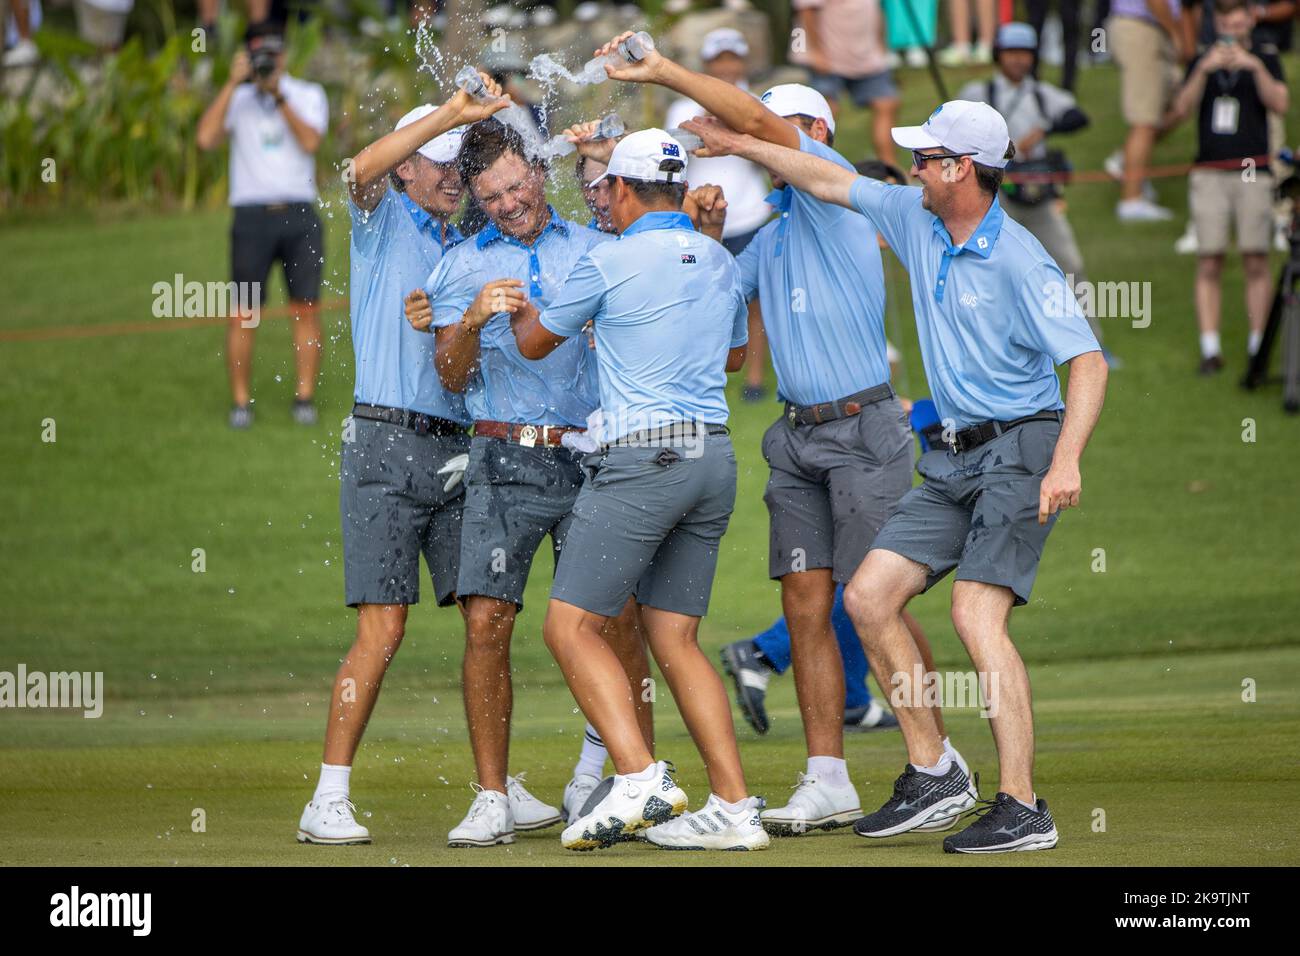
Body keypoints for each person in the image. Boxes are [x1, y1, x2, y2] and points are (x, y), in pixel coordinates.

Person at [682, 98, 1109, 853]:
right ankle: (935, 768)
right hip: (950, 455)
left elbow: (1087, 361)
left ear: (961, 169)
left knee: (976, 613)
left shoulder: (1019, 257)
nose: (911, 167)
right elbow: (819, 175)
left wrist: (1067, 459)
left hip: (1022, 446)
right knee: (871, 594)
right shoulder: (917, 218)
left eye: (925, 157)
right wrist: (735, 141)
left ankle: (1022, 804)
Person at [597, 33, 963, 838]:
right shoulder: (765, 239)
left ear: (818, 138)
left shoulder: (840, 201)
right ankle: (826, 775)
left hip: (864, 429)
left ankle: (937, 762)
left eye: (789, 128)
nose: (770, 137)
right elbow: (726, 348)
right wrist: (699, 237)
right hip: (797, 439)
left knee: (881, 604)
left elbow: (759, 121)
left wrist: (663, 72)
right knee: (806, 608)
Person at [510, 128, 766, 852]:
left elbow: (535, 343)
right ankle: (736, 807)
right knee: (675, 636)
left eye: (606, 191)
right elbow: (736, 356)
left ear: (621, 190)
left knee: (568, 626)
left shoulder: (607, 259)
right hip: (712, 458)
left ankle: (637, 774)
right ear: (678, 190)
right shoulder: (719, 258)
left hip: (645, 458)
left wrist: (514, 304)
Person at [404, 118, 653, 847]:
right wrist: (472, 321)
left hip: (590, 457)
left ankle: (617, 777)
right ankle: (491, 797)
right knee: (487, 621)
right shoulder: (459, 267)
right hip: (501, 457)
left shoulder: (597, 250)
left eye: (517, 185)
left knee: (618, 621)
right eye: (492, 194)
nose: (509, 202)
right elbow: (452, 379)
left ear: (539, 174)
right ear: (477, 198)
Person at [295, 78, 506, 846]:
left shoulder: (464, 245)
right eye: (439, 161)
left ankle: (495, 790)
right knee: (383, 629)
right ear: (408, 169)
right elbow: (355, 169)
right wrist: (447, 114)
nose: (453, 174)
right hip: (386, 444)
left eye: (459, 163)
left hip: (459, 449)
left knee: (488, 616)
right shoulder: (380, 219)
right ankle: (328, 797)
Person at [196, 20, 327, 429]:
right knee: (243, 314)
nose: (266, 62)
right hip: (252, 220)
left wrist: (278, 95)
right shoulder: (237, 99)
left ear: (284, 55)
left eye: (271, 53)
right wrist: (233, 85)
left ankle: (304, 398)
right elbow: (205, 139)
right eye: (258, 55)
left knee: (305, 309)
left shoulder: (306, 94)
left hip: (299, 215)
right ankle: (240, 403)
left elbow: (310, 142)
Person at [959, 22, 1115, 362]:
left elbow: (1077, 117)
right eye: (1012, 53)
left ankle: (1093, 347)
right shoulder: (977, 92)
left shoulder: (1044, 95)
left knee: (1069, 264)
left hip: (1038, 193)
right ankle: (990, 350)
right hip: (993, 196)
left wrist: (1044, 126)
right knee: (988, 270)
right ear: (999, 55)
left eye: (1025, 54)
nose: (1018, 60)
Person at [1167, 0, 1288, 374]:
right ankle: (1210, 347)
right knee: (1210, 258)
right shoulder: (1202, 61)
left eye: (1238, 21)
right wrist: (1202, 69)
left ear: (1249, 20)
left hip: (1254, 169)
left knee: (1256, 256)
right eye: (1225, 22)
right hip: (1209, 171)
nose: (1232, 29)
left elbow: (1280, 103)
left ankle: (1257, 344)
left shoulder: (1265, 57)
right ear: (1216, 22)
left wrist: (1252, 66)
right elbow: (1180, 111)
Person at [665, 28, 774, 402]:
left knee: (754, 302)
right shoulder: (684, 107)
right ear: (709, 64)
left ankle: (754, 378)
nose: (727, 66)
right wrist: (708, 115)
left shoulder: (758, 104)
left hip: (748, 212)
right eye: (720, 59)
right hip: (700, 212)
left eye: (733, 58)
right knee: (697, 293)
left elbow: (765, 153)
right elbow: (678, 154)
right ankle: (699, 371)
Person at [1105, 0, 1191, 221]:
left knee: (1180, 106)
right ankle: (1131, 201)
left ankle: (1126, 161)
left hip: (1152, 27)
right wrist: (1176, 34)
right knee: (1145, 120)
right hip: (1141, 27)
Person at [790, 0, 902, 167]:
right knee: (824, 112)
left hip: (867, 55)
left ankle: (889, 167)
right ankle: (813, 166)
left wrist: (881, 44)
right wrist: (816, 51)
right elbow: (806, 10)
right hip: (828, 56)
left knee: (886, 103)